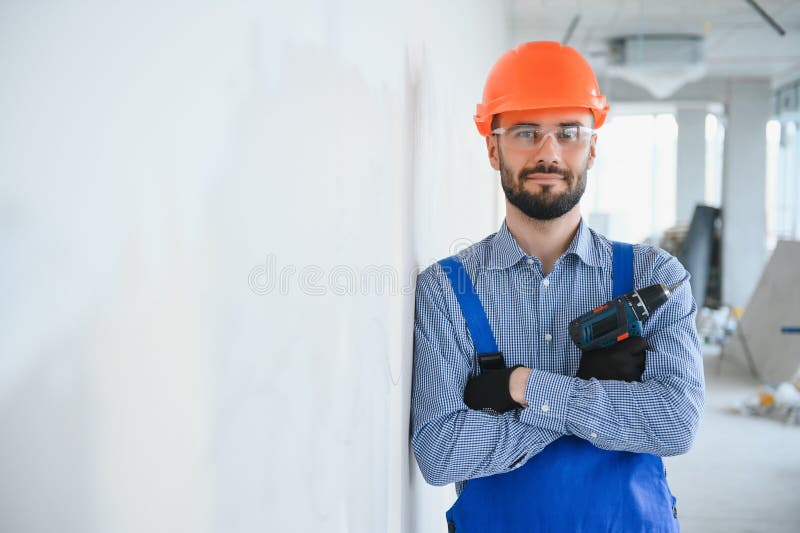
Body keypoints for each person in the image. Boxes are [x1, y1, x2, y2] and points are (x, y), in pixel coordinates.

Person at [410, 41, 705, 532]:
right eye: (526, 132)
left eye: (567, 133)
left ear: (592, 148)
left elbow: (675, 423)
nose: (548, 153)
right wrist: (601, 408)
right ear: (492, 148)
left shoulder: (657, 278)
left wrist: (522, 387)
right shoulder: (445, 291)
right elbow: (440, 453)